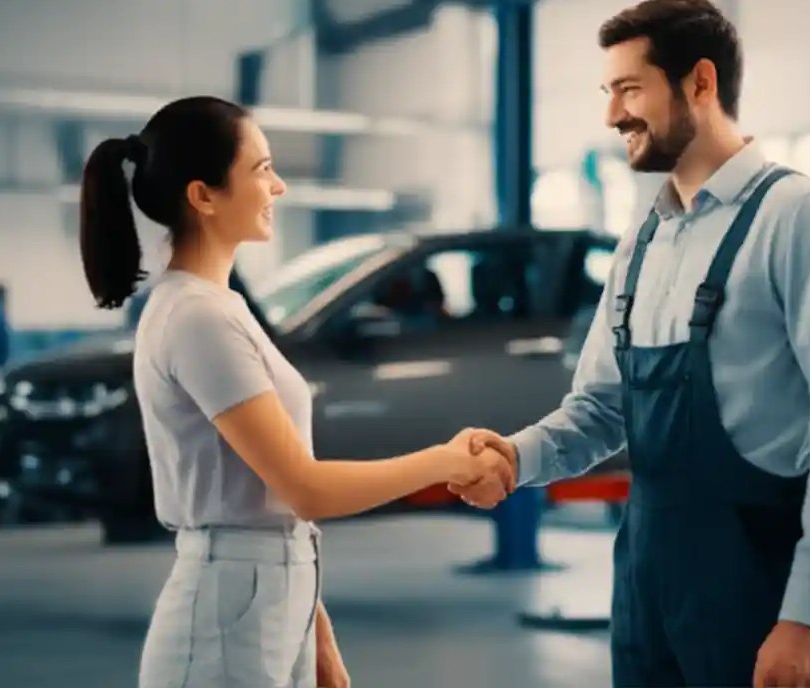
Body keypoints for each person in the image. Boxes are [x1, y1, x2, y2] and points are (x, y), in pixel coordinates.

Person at [451, 0, 810, 688]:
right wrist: (516, 457)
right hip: (646, 590)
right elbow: (600, 408)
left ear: (701, 82)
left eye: (630, 88)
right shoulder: (643, 241)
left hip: (759, 591)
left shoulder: (799, 220)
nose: (612, 114)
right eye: (608, 91)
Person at [77, 96, 515, 688]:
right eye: (261, 169)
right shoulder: (197, 318)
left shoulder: (219, 306)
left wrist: (318, 643)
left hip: (265, 606)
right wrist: (446, 462)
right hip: (224, 626)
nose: (278, 186)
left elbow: (274, 518)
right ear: (203, 196)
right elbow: (304, 490)